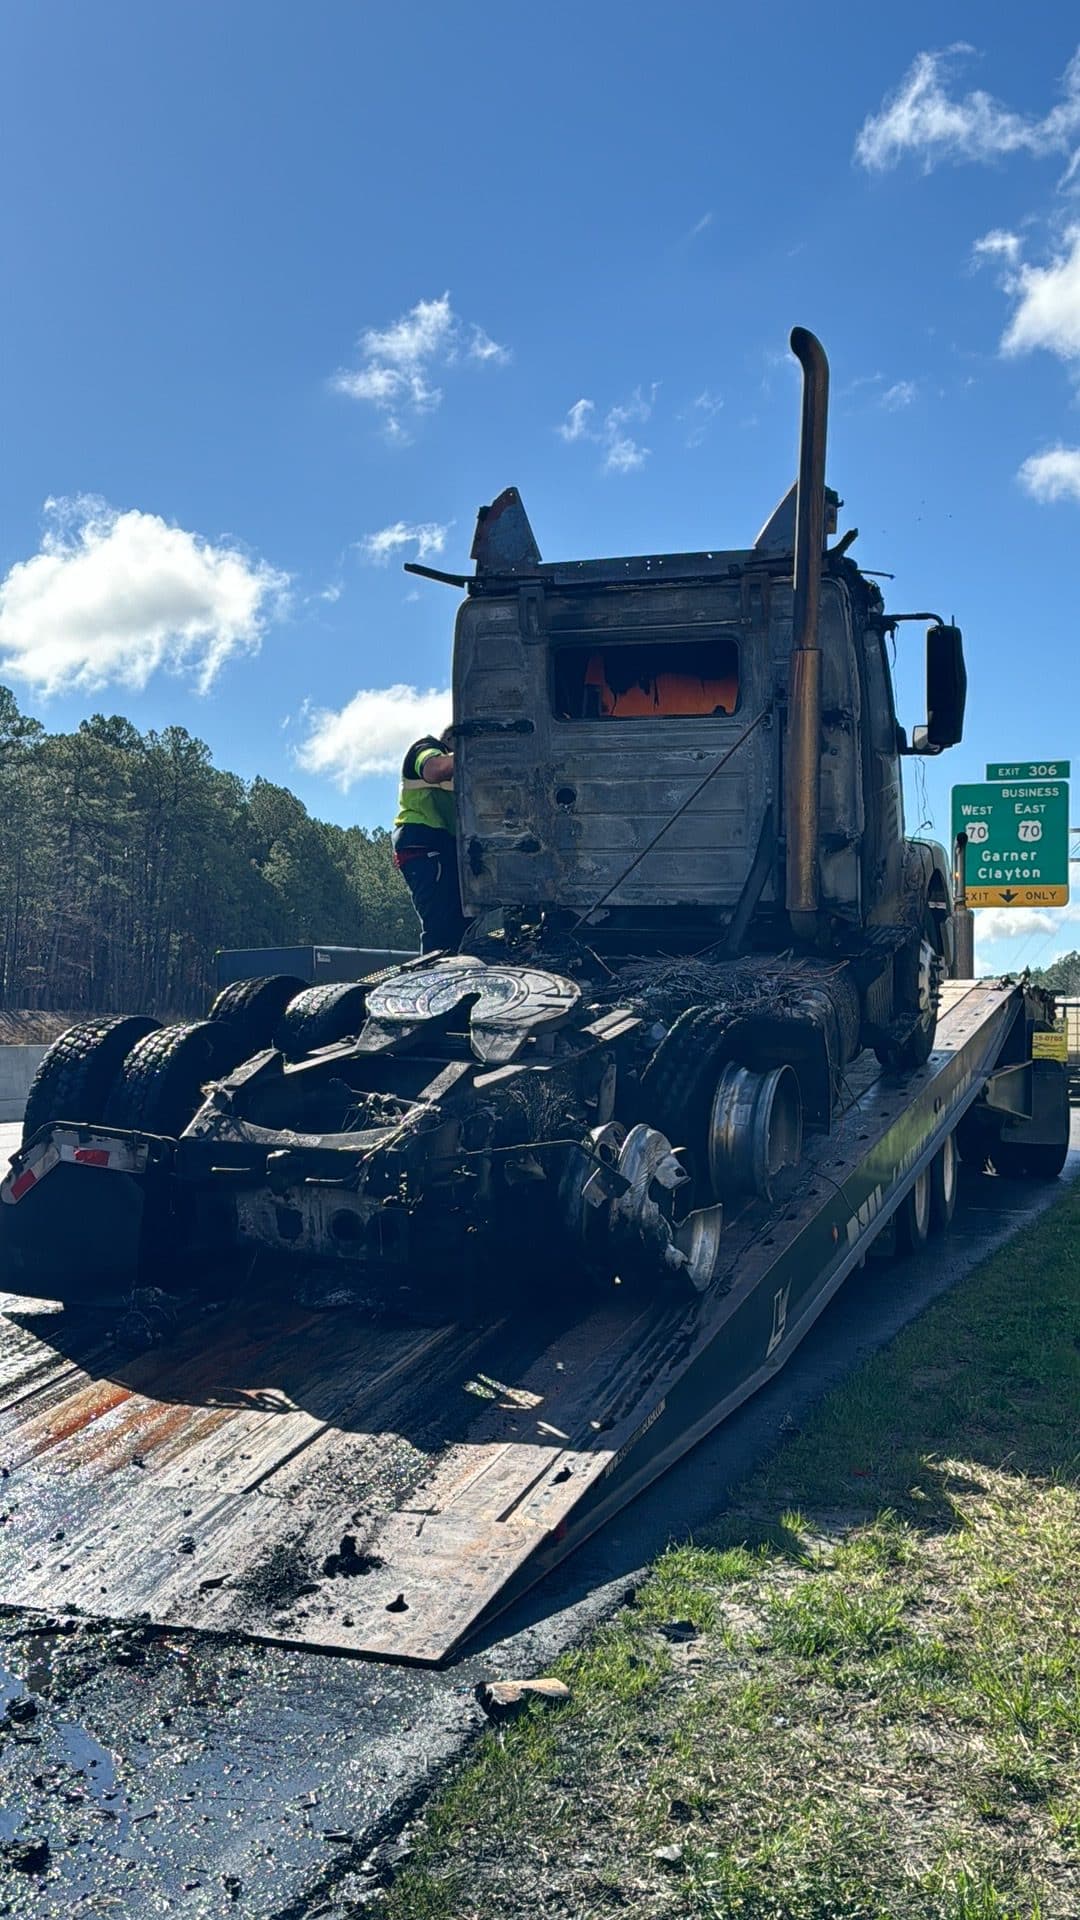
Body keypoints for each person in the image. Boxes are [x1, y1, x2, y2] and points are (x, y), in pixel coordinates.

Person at [391, 730, 468, 954]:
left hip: (441, 848)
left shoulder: (463, 773)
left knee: (459, 925)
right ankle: (435, 974)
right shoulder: (424, 748)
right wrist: (480, 751)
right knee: (440, 924)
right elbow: (435, 770)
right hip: (423, 843)